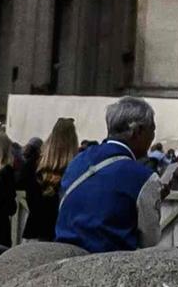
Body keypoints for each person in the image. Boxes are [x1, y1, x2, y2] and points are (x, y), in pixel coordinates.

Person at [53, 99, 161, 253]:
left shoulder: (77, 161)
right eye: (152, 130)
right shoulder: (142, 177)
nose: (152, 138)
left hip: (63, 254)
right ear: (137, 131)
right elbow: (150, 240)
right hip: (107, 264)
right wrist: (155, 198)